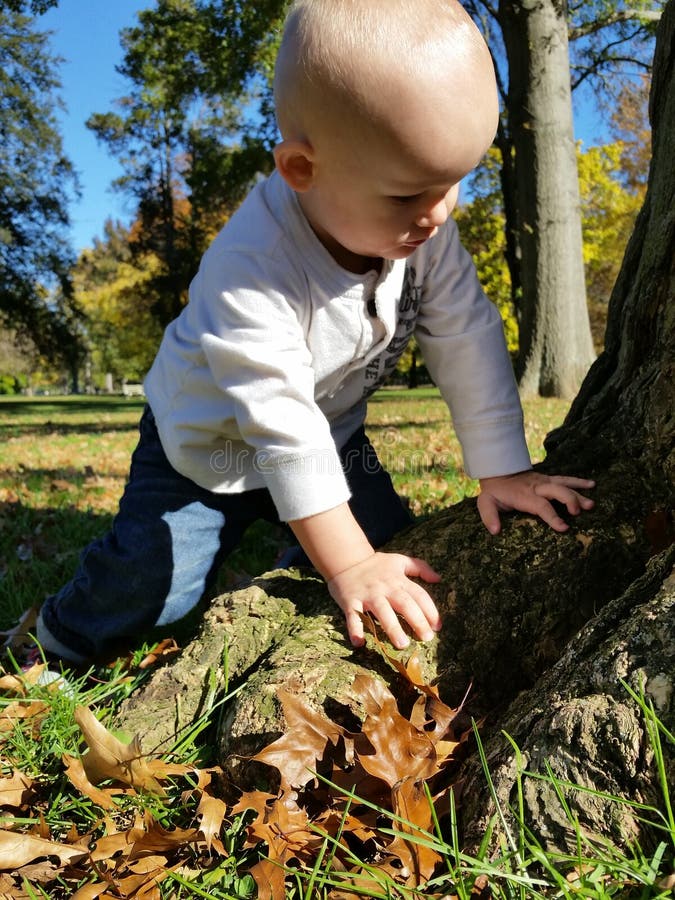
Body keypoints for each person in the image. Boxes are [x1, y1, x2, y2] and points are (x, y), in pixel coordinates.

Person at [35, 0, 594, 665]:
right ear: (302, 169)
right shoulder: (251, 269)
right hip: (206, 454)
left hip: (332, 440)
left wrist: (501, 467)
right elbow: (280, 428)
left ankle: (299, 538)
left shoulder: (421, 231)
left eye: (453, 183)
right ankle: (62, 633)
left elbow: (465, 333)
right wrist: (348, 565)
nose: (438, 214)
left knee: (390, 535)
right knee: (157, 586)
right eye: (408, 194)